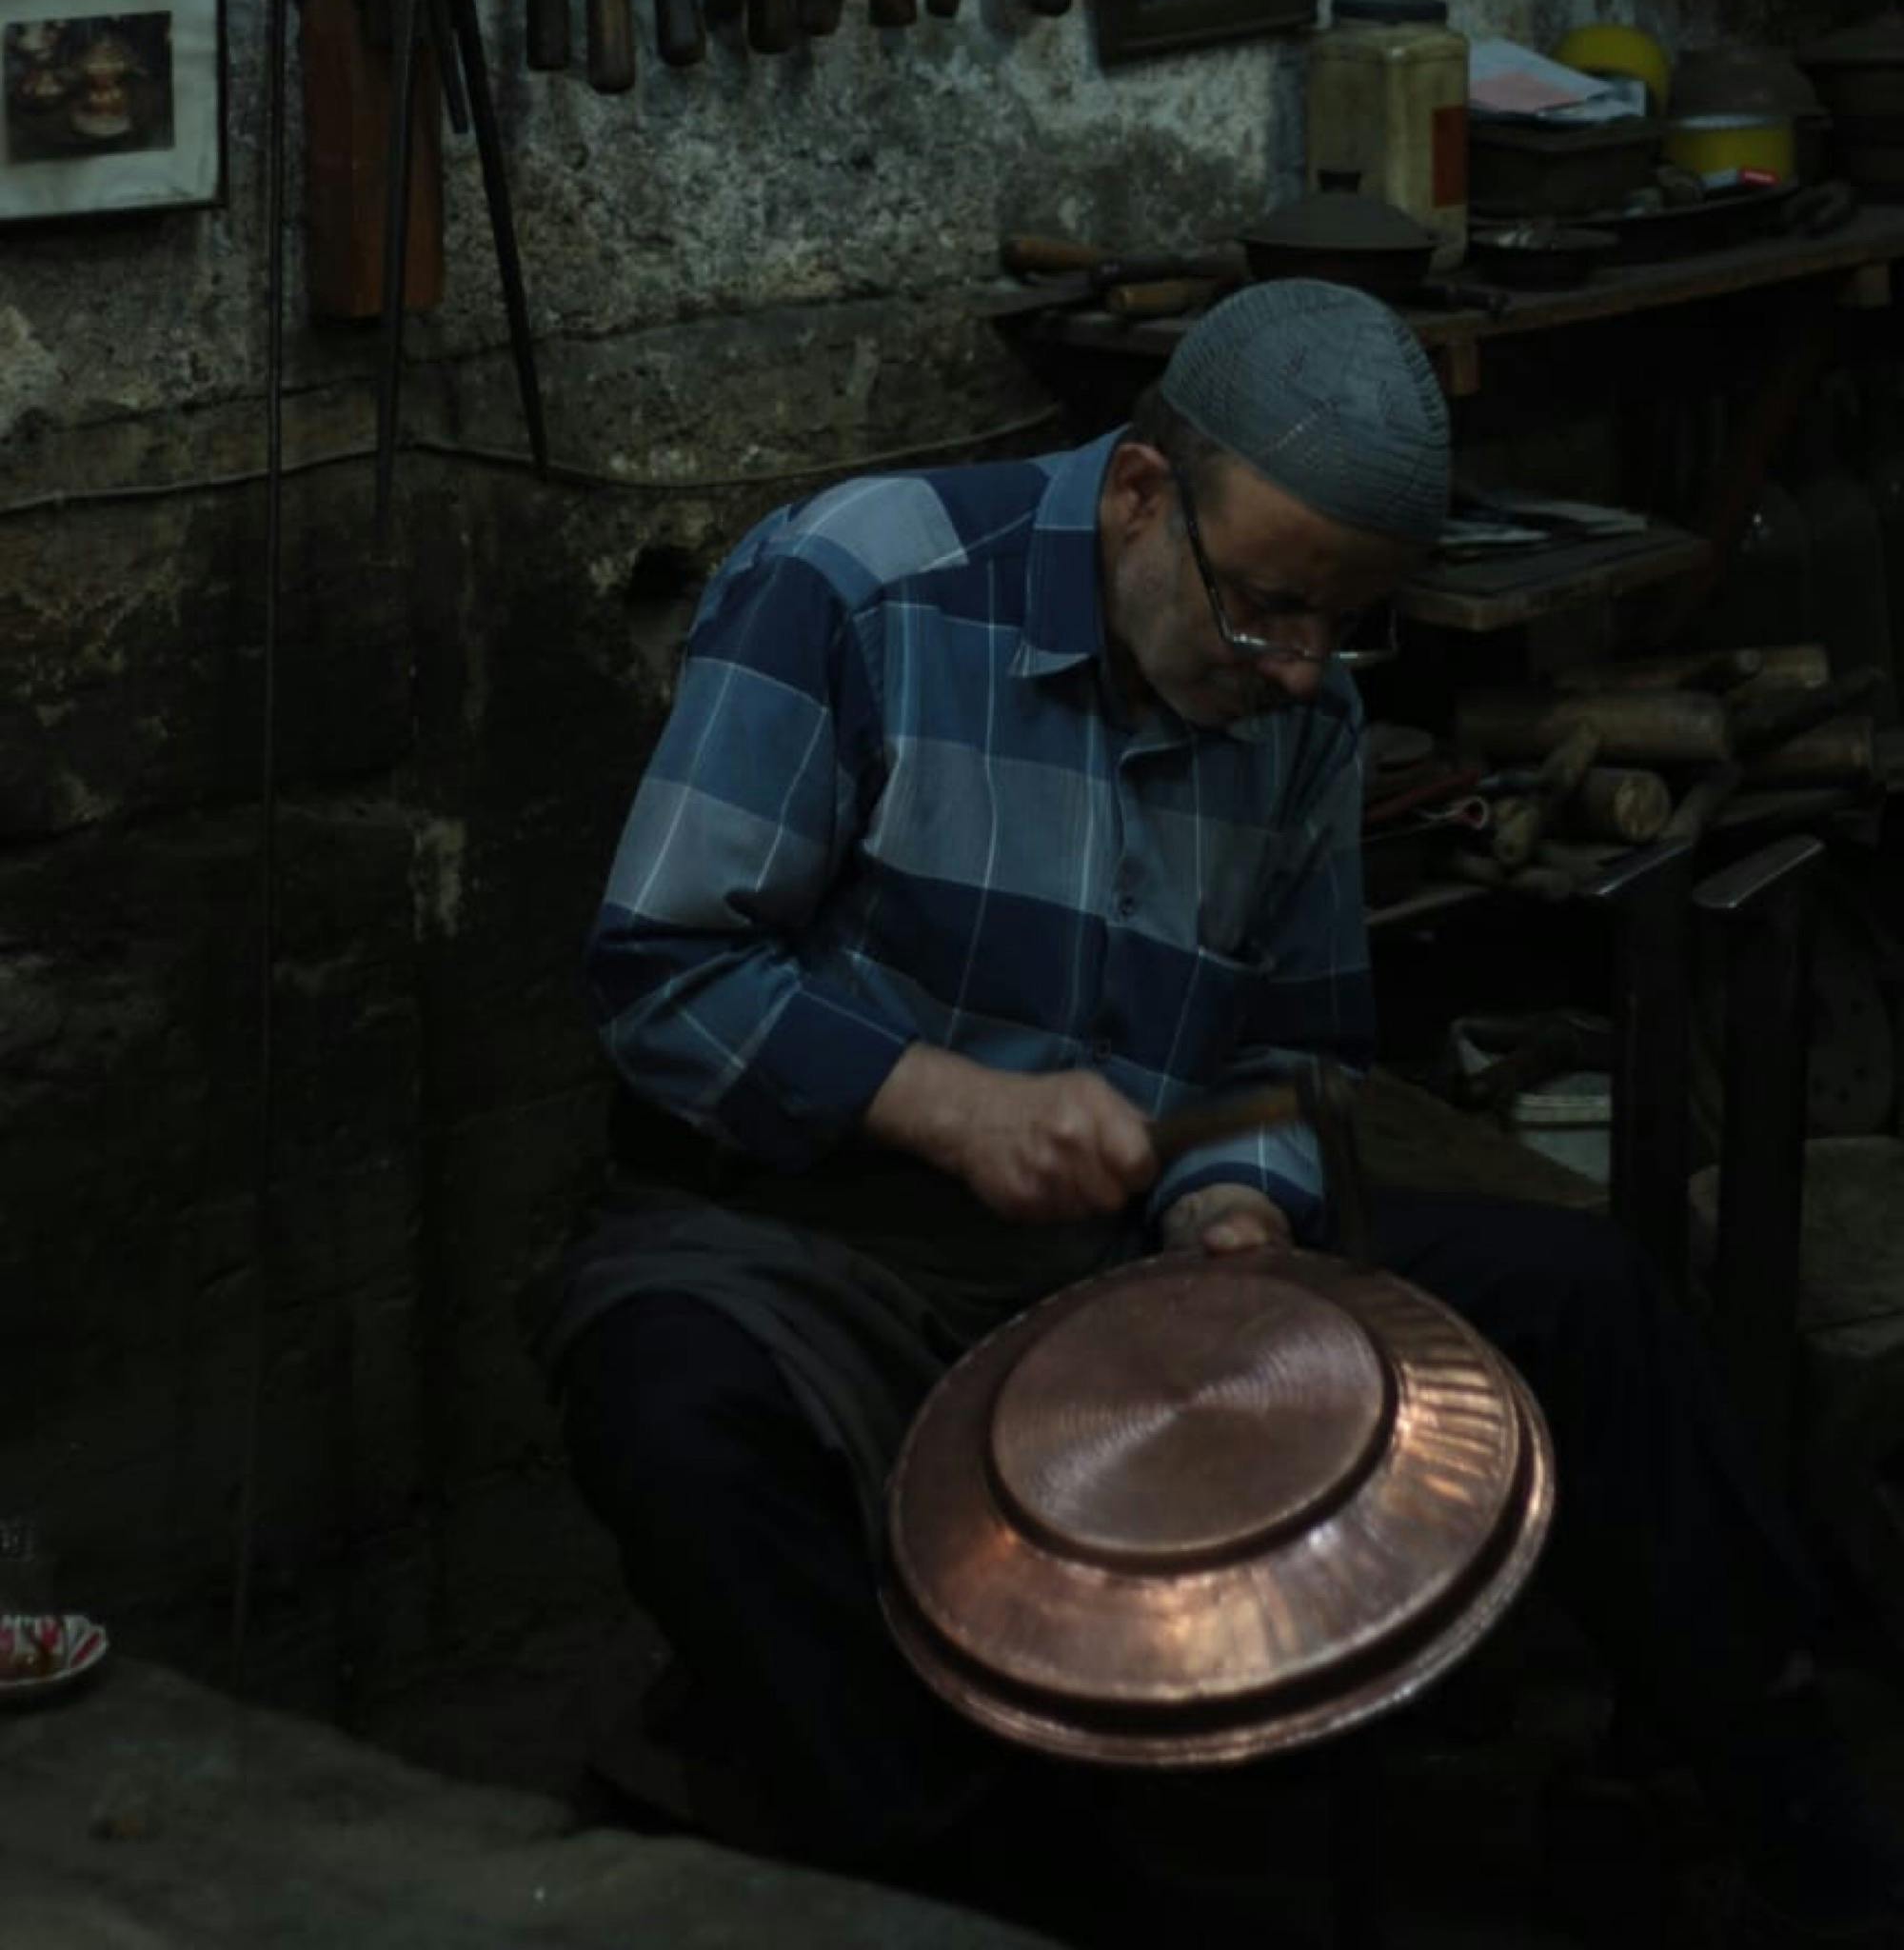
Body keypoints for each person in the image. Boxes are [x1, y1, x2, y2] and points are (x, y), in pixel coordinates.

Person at [544, 284, 1904, 1948]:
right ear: (1137, 499)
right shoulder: (850, 583)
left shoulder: (1306, 714)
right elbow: (660, 972)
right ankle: (985, 1882)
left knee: (1589, 1299)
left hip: (1125, 1257)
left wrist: (1234, 1206)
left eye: (1345, 627)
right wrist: (939, 1102)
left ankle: (1795, 1809)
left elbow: (1294, 1042)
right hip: (805, 1236)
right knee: (667, 1407)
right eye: (1267, 612)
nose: (1303, 671)